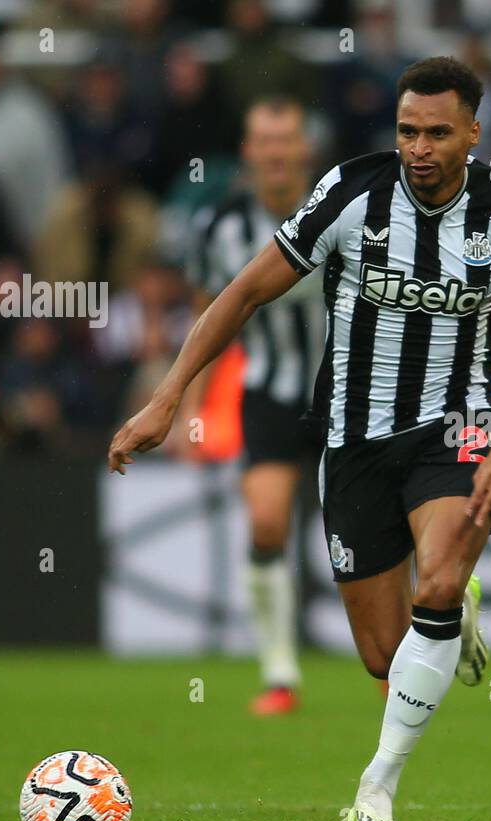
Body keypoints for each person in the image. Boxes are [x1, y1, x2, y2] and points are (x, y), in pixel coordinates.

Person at [108, 56, 491, 821]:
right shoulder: (352, 193)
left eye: (438, 133)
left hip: (457, 429)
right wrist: (165, 396)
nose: (419, 147)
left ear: (473, 135)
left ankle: (377, 786)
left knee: (440, 583)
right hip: (352, 440)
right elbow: (246, 290)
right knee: (386, 658)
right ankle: (455, 619)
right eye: (408, 131)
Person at [184, 97, 328, 716]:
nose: (275, 152)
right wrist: (185, 405)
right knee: (267, 523)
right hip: (268, 391)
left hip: (346, 392)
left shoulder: (340, 212)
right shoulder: (220, 227)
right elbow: (206, 316)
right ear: (248, 152)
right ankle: (279, 673)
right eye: (263, 141)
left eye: (285, 139)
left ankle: (392, 665)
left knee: (379, 531)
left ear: (303, 148)